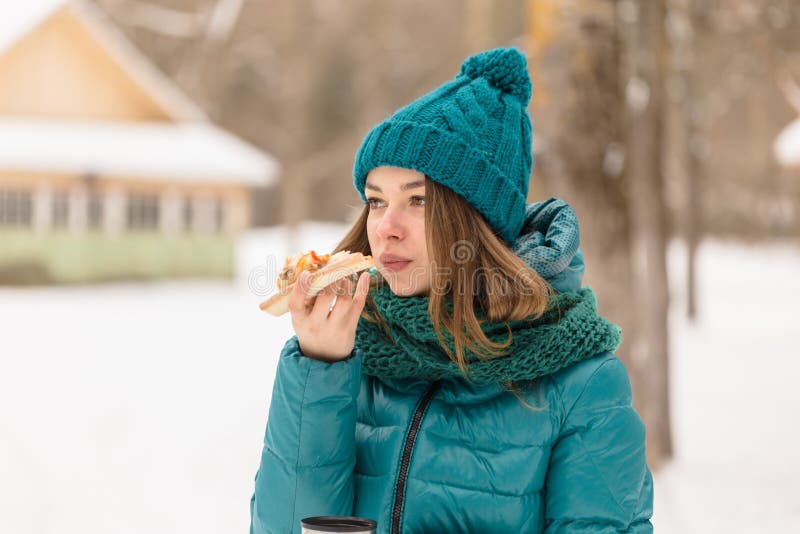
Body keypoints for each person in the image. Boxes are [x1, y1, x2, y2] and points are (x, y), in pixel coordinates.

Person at [249, 47, 653, 533]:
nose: (386, 228)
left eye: (417, 200)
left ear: (476, 220)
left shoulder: (581, 383)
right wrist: (320, 371)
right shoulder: (353, 355)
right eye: (376, 202)